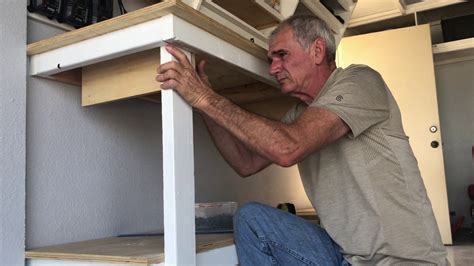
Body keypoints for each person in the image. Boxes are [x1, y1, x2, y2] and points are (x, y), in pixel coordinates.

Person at [156, 15, 449, 266]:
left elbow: (288, 148)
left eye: (281, 55)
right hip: (346, 256)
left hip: (403, 260)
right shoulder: (298, 114)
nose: (272, 69)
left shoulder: (361, 81)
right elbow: (244, 163)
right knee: (252, 220)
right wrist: (203, 106)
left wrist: (206, 97)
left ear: (318, 50)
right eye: (270, 60)